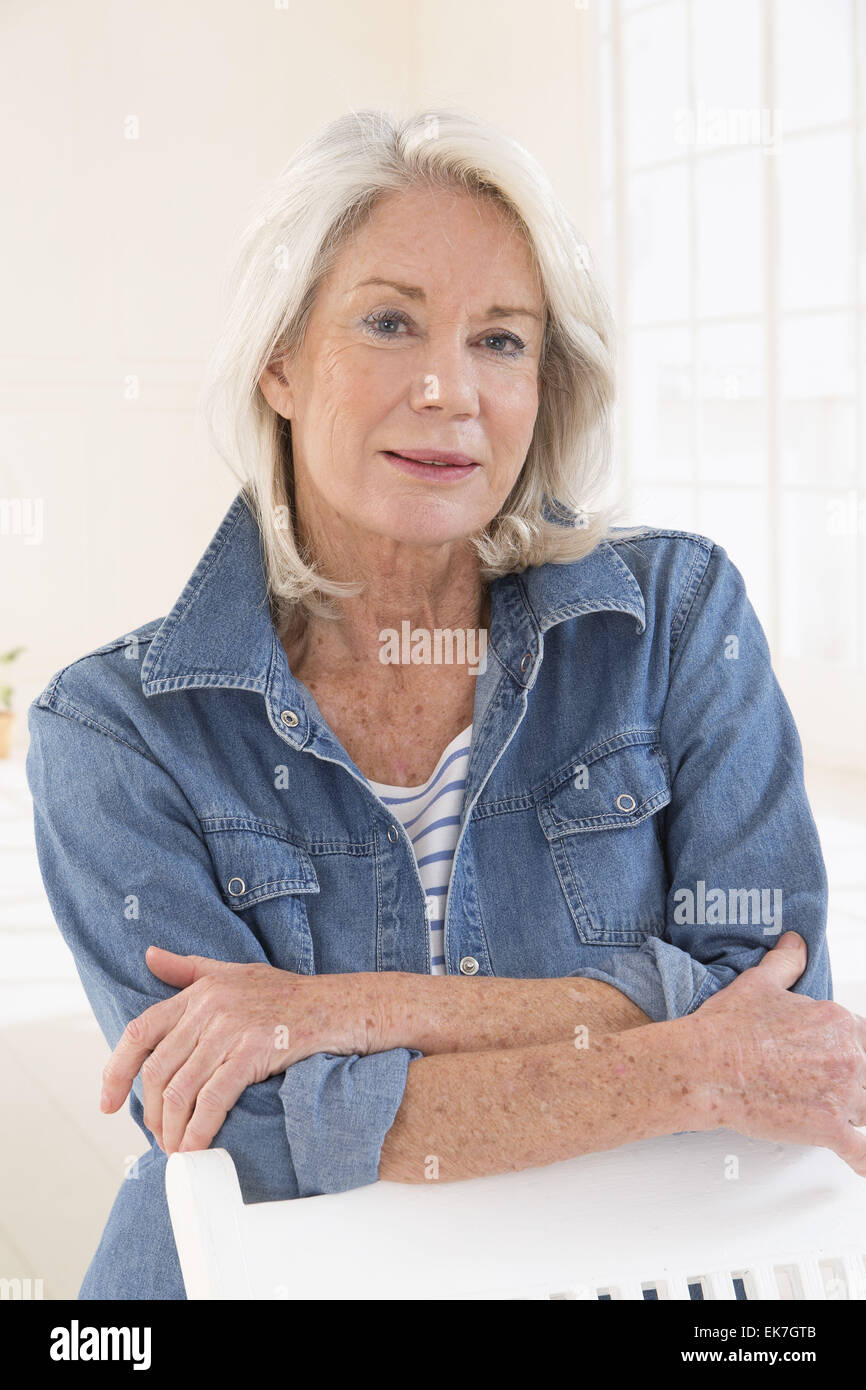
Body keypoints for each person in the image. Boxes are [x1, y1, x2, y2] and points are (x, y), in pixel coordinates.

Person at [26, 108, 866, 1301]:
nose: (448, 389)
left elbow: (782, 1018)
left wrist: (332, 1015)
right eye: (388, 322)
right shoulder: (109, 729)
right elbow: (251, 1137)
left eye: (501, 340)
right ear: (278, 361)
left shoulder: (673, 615)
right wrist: (688, 1065)